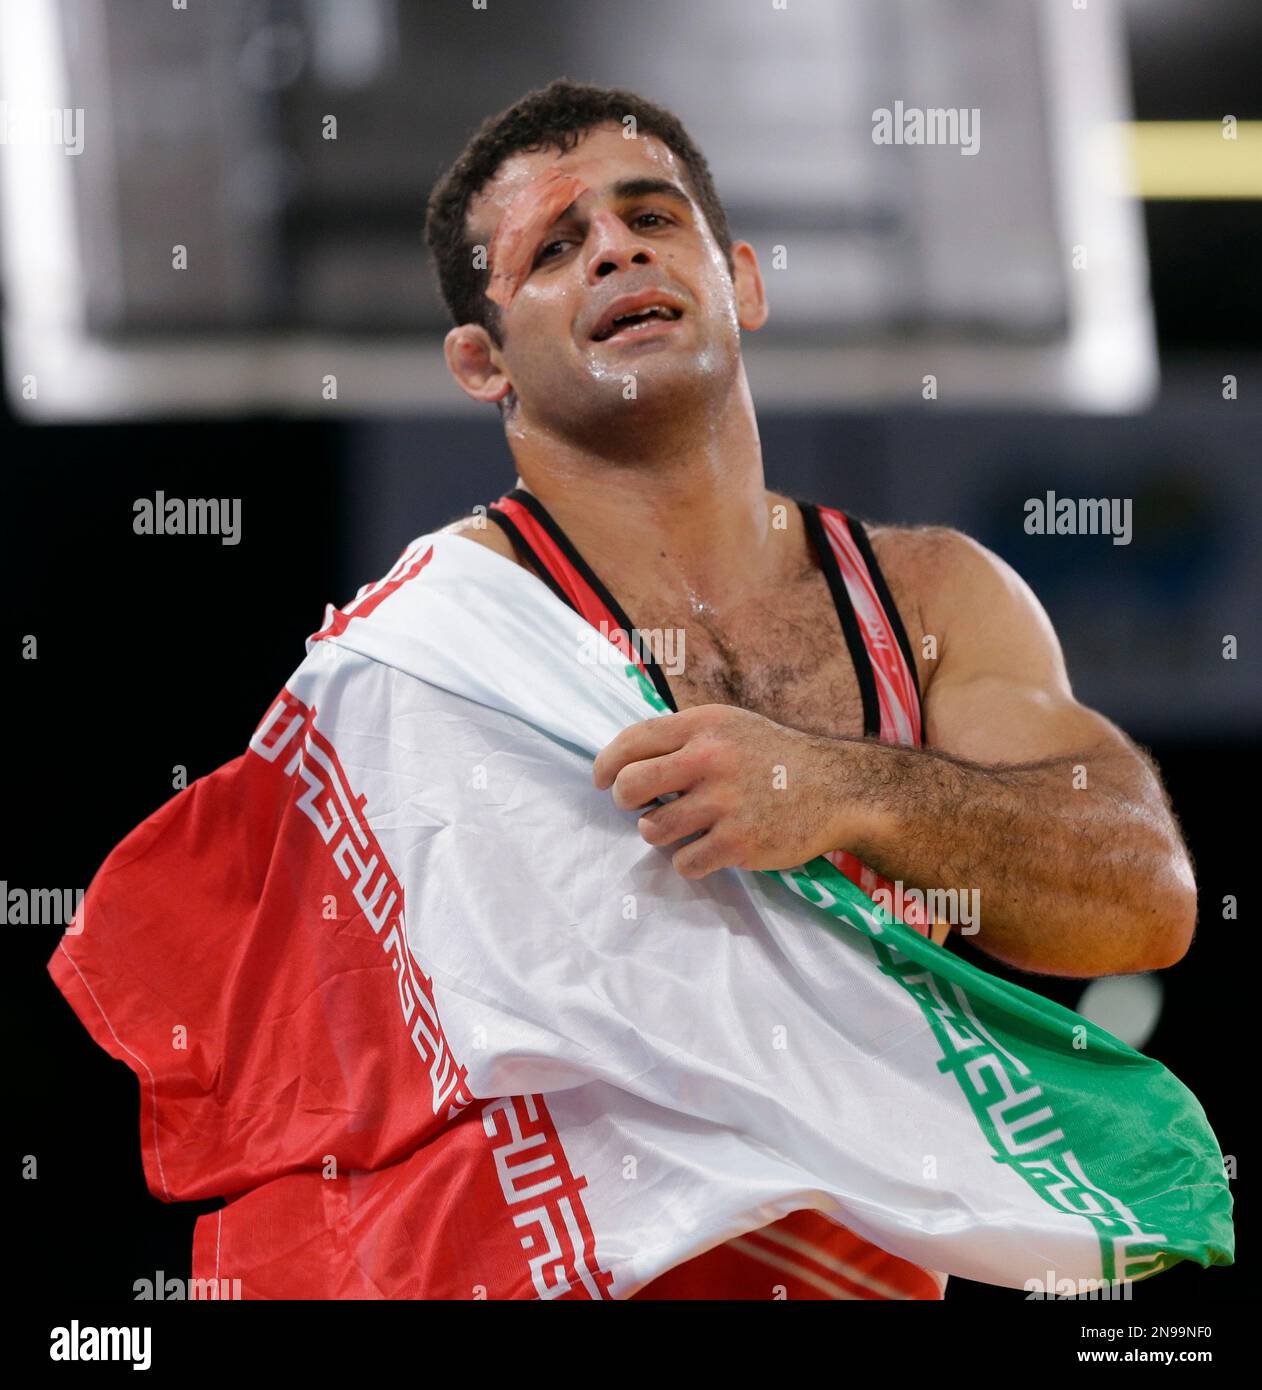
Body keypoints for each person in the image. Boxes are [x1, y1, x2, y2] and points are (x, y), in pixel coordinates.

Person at [420, 78, 1198, 1300]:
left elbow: (1140, 898)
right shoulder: (440, 643)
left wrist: (842, 786)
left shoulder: (929, 598)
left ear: (742, 279)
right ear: (481, 361)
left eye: (650, 217)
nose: (616, 247)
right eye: (557, 248)